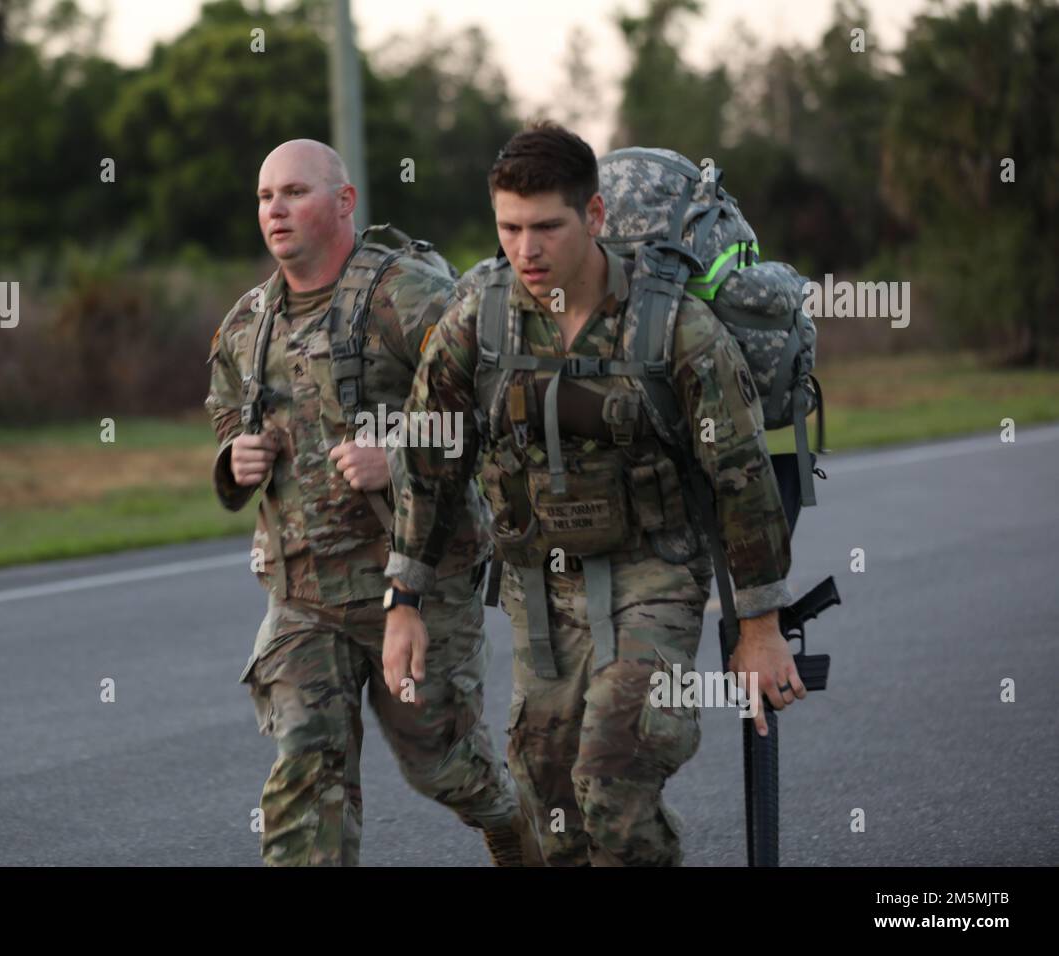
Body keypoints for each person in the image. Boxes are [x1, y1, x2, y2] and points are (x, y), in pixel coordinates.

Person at [382, 122, 804, 866]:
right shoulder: (478, 321)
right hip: (539, 589)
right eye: (509, 228)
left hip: (657, 575)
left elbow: (739, 474)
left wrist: (759, 626)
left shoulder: (673, 324)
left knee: (612, 785)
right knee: (547, 806)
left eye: (547, 226)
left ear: (596, 217)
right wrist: (404, 600)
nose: (526, 249)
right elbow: (427, 462)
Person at [205, 139, 542, 866]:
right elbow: (229, 411)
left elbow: (498, 407)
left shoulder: (408, 297)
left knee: (443, 768)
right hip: (304, 600)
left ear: (344, 203)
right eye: (265, 197)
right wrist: (234, 458)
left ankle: (515, 827)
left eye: (294, 192)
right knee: (305, 771)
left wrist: (398, 458)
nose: (275, 210)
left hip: (417, 588)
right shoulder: (246, 323)